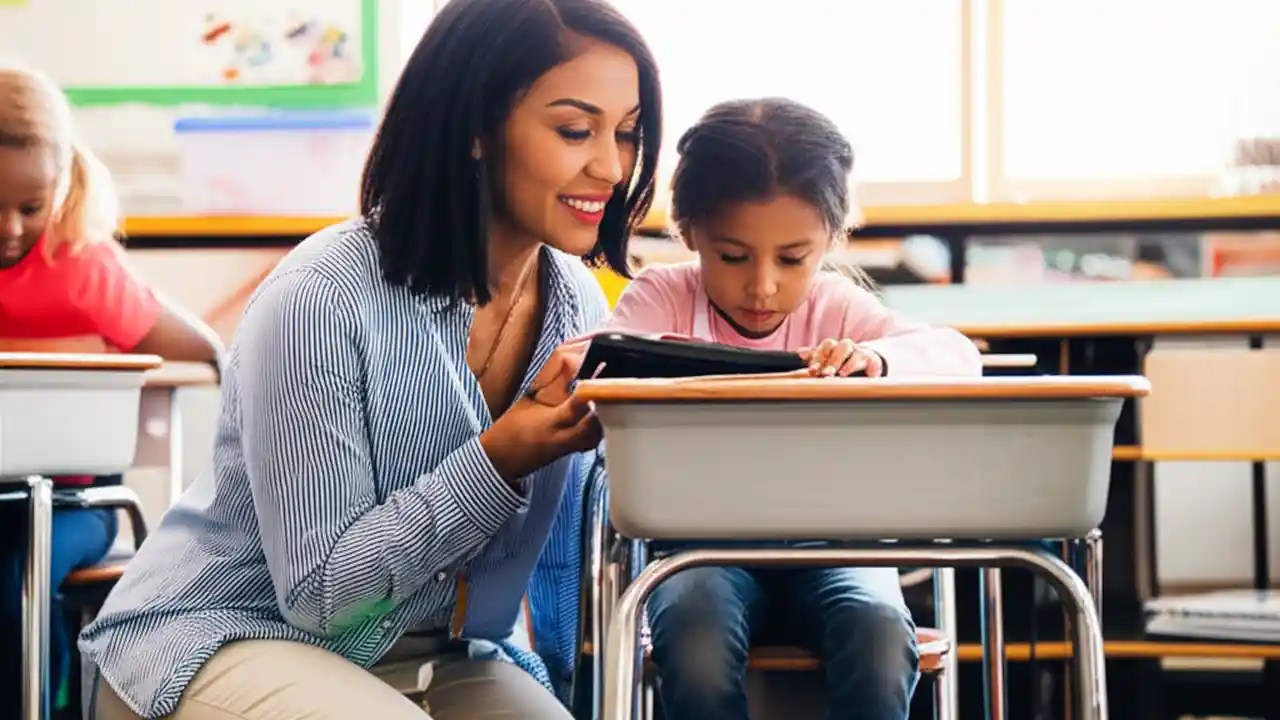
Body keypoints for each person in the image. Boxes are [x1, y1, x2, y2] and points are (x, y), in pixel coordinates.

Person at [77, 0, 662, 717]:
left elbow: (567, 560)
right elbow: (324, 595)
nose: (611, 166)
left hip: (437, 656)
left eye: (628, 133)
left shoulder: (577, 305)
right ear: (476, 128)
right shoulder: (321, 296)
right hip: (225, 635)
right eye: (575, 130)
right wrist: (499, 456)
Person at [605, 97, 981, 720]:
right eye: (732, 256)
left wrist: (876, 360)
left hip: (836, 549)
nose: (762, 286)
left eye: (792, 258)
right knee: (694, 646)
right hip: (697, 553)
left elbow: (957, 357)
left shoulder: (839, 308)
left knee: (883, 636)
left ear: (831, 240)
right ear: (690, 230)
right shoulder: (660, 298)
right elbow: (600, 366)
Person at [0, 64, 222, 716]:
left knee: (14, 582)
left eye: (30, 207)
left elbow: (206, 349)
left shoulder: (81, 267)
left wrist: (87, 354)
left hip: (76, 503)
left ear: (64, 184)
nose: (10, 227)